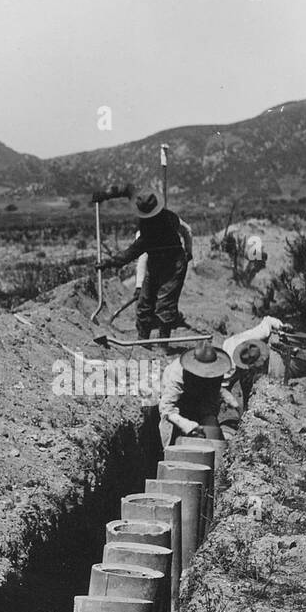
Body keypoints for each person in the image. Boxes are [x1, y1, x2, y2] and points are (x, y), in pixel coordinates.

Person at [97, 186, 193, 343]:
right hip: (155, 263)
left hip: (174, 265)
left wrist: (109, 263)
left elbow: (132, 253)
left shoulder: (157, 228)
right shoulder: (145, 200)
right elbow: (128, 188)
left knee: (164, 305)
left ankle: (163, 343)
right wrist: (105, 195)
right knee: (144, 304)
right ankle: (143, 341)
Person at [158, 342, 233, 447]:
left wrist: (210, 420)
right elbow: (166, 408)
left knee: (210, 434)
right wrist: (185, 424)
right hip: (176, 405)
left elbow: (210, 401)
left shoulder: (216, 372)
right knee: (173, 440)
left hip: (198, 399)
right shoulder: (177, 374)